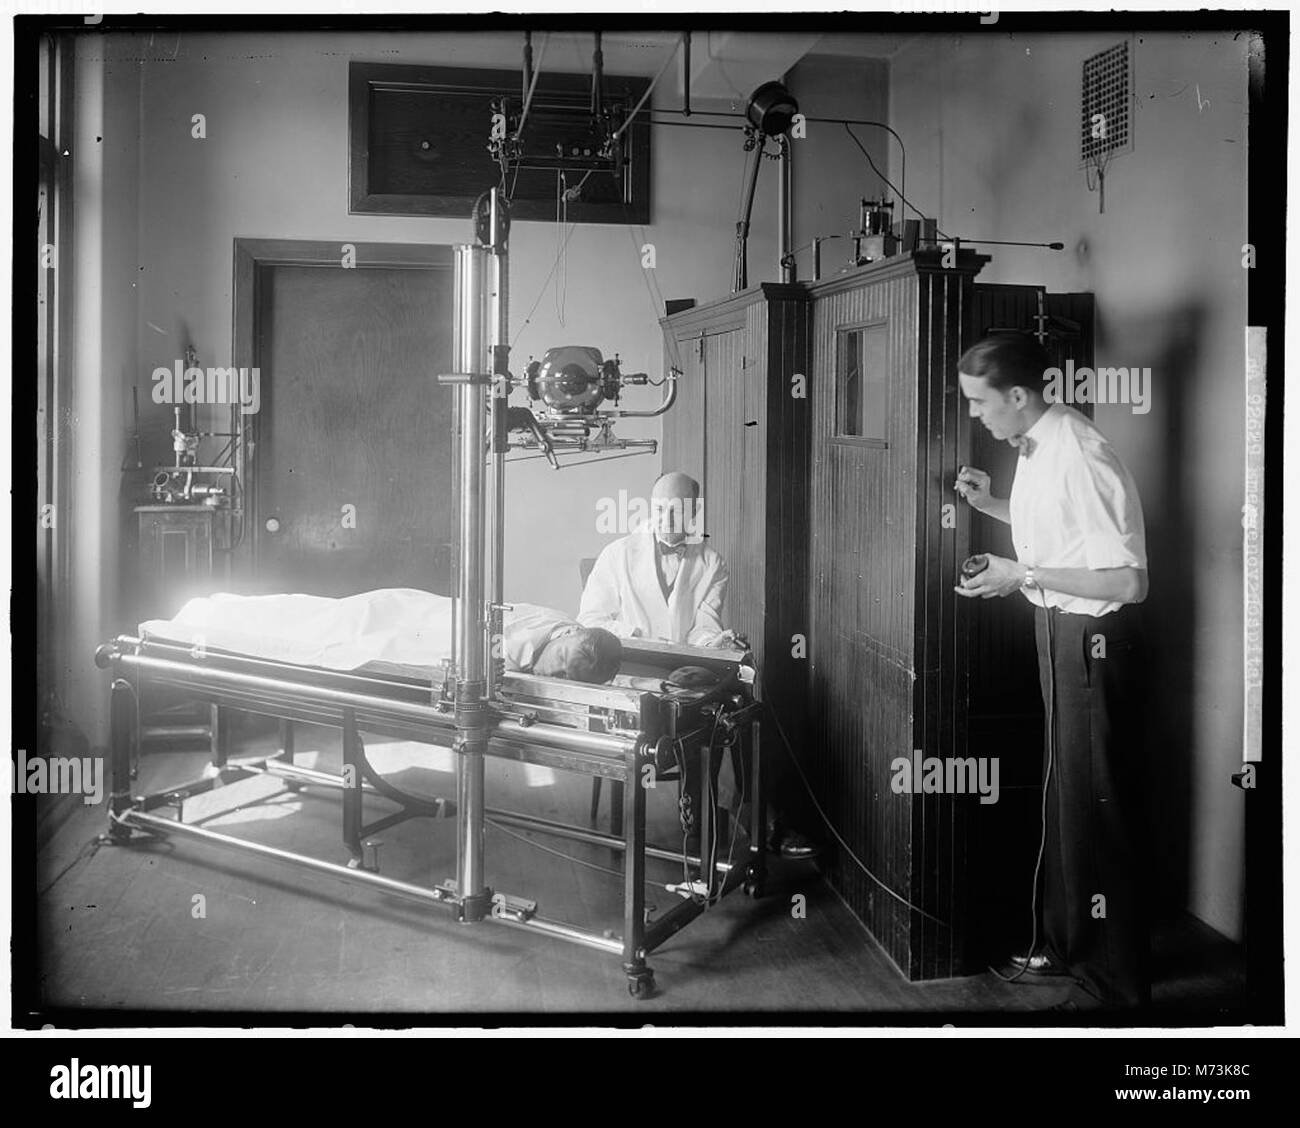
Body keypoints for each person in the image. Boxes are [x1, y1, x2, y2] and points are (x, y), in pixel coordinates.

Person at [953, 333, 1150, 1012]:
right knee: (1068, 796)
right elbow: (1060, 530)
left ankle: (1122, 983)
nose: (976, 414)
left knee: (1100, 804)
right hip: (1057, 630)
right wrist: (991, 509)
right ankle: (1071, 947)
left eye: (981, 402)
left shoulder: (1081, 449)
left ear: (1017, 395)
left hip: (1091, 640)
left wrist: (1022, 575)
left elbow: (1127, 579)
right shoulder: (1039, 444)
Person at [579, 471, 816, 859]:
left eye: (679, 510)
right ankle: (735, 820)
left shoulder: (712, 563)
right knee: (710, 717)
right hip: (627, 670)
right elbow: (590, 621)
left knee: (739, 705)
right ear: (650, 508)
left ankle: (742, 821)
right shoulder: (617, 554)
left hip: (681, 674)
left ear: (694, 514)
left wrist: (717, 641)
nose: (669, 519)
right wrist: (641, 635)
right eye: (661, 509)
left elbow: (703, 628)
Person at [142, 589, 622, 684]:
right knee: (324, 621)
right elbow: (510, 648)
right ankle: (208, 614)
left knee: (322, 624)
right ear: (573, 632)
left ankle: (212, 612)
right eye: (557, 661)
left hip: (422, 636)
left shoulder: (563, 643)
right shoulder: (551, 621)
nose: (550, 671)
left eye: (560, 674)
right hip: (411, 616)